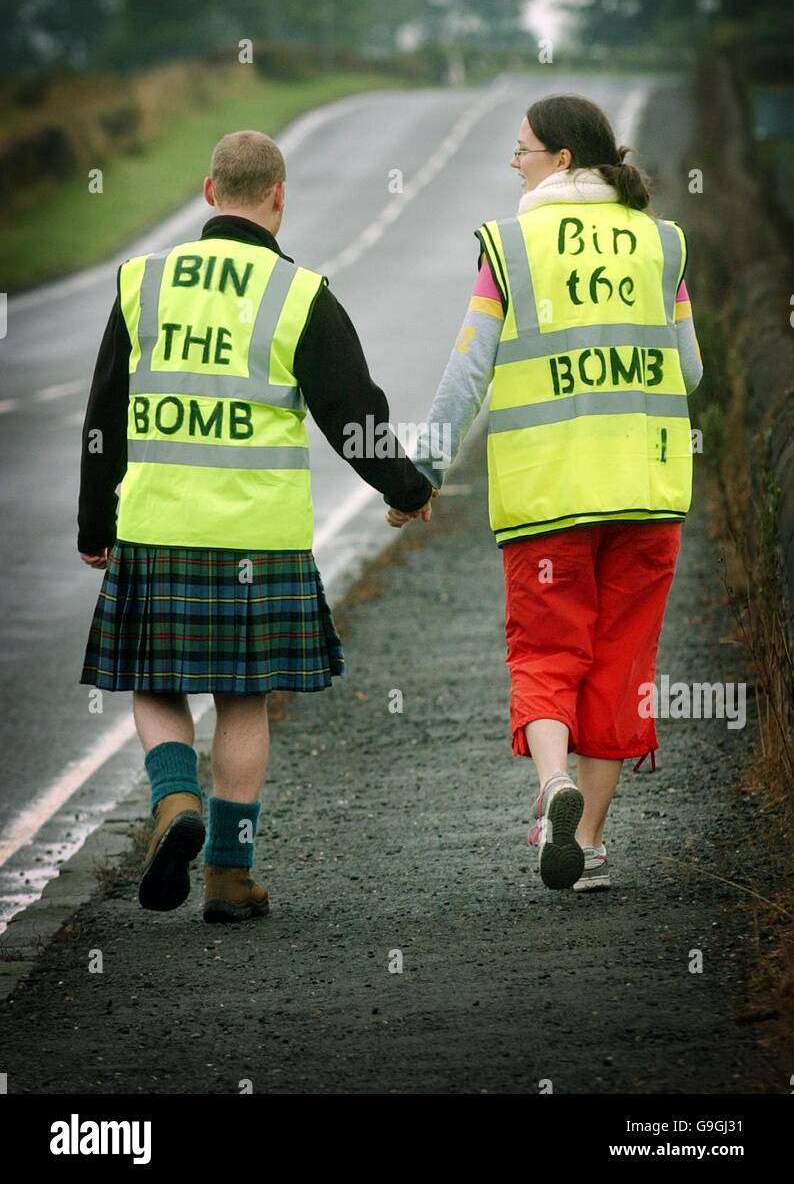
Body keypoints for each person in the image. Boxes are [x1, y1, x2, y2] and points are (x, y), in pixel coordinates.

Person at [78, 129, 433, 923]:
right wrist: (406, 490)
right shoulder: (298, 293)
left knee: (155, 684)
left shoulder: (143, 281)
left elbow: (104, 415)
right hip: (255, 540)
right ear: (278, 197)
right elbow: (355, 416)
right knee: (242, 700)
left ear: (209, 193)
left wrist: (95, 522)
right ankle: (230, 879)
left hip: (158, 525)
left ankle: (174, 803)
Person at [388, 94, 703, 893]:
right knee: (620, 661)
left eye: (521, 150)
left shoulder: (512, 246)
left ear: (561, 158)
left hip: (547, 498)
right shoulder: (662, 243)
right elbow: (692, 369)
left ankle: (553, 785)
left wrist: (419, 476)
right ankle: (589, 844)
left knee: (547, 652)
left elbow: (466, 373)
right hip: (646, 490)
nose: (514, 164)